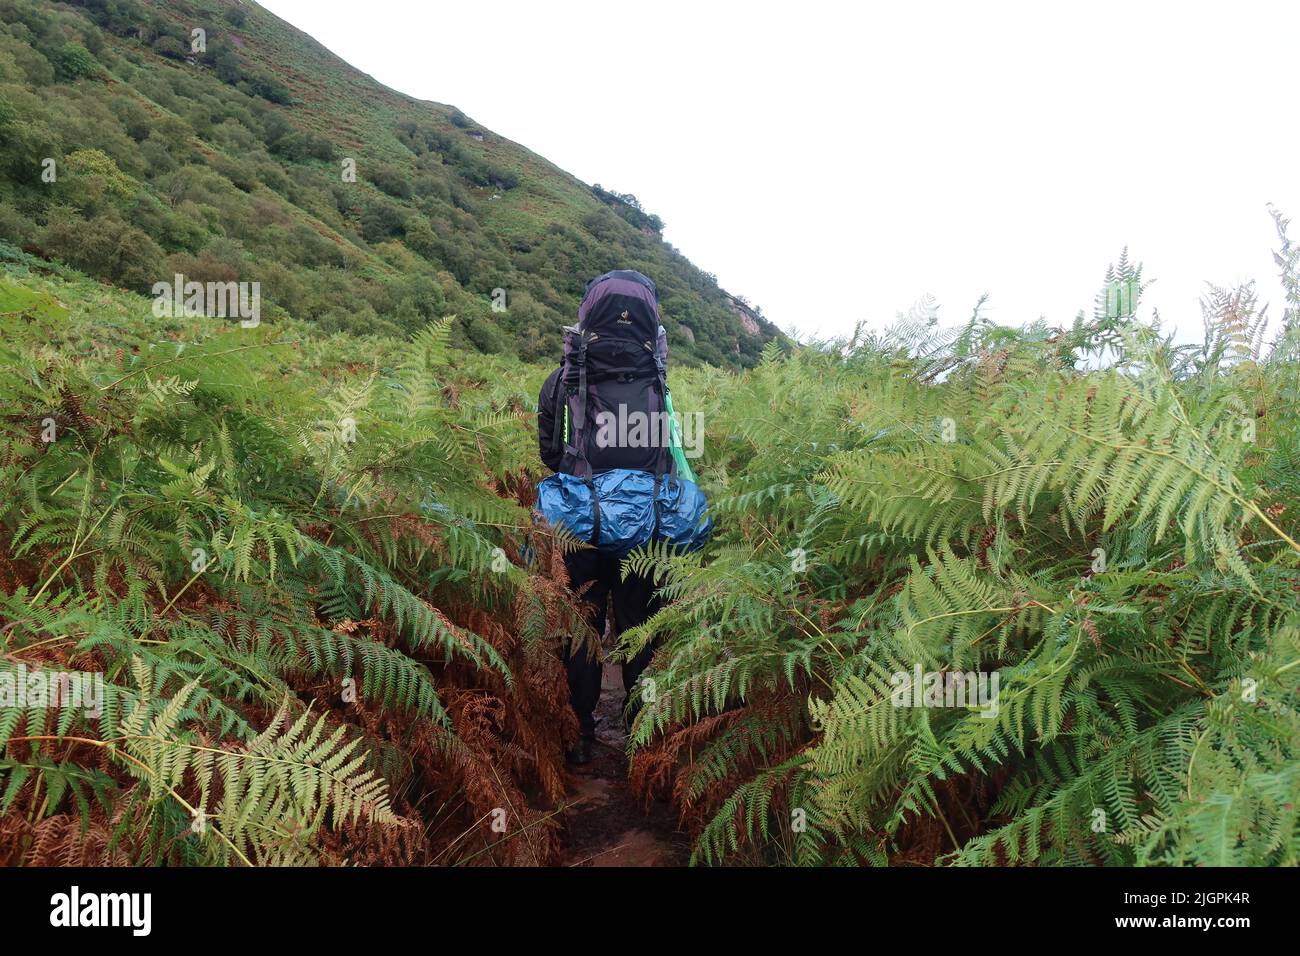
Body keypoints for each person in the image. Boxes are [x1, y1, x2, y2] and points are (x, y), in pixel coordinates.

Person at [536, 270, 669, 765]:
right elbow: (669, 455)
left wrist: (586, 479)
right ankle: (645, 738)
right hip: (644, 531)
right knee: (640, 628)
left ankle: (578, 740)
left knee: (583, 629)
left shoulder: (565, 377)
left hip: (580, 528)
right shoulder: (658, 379)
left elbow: (551, 452)